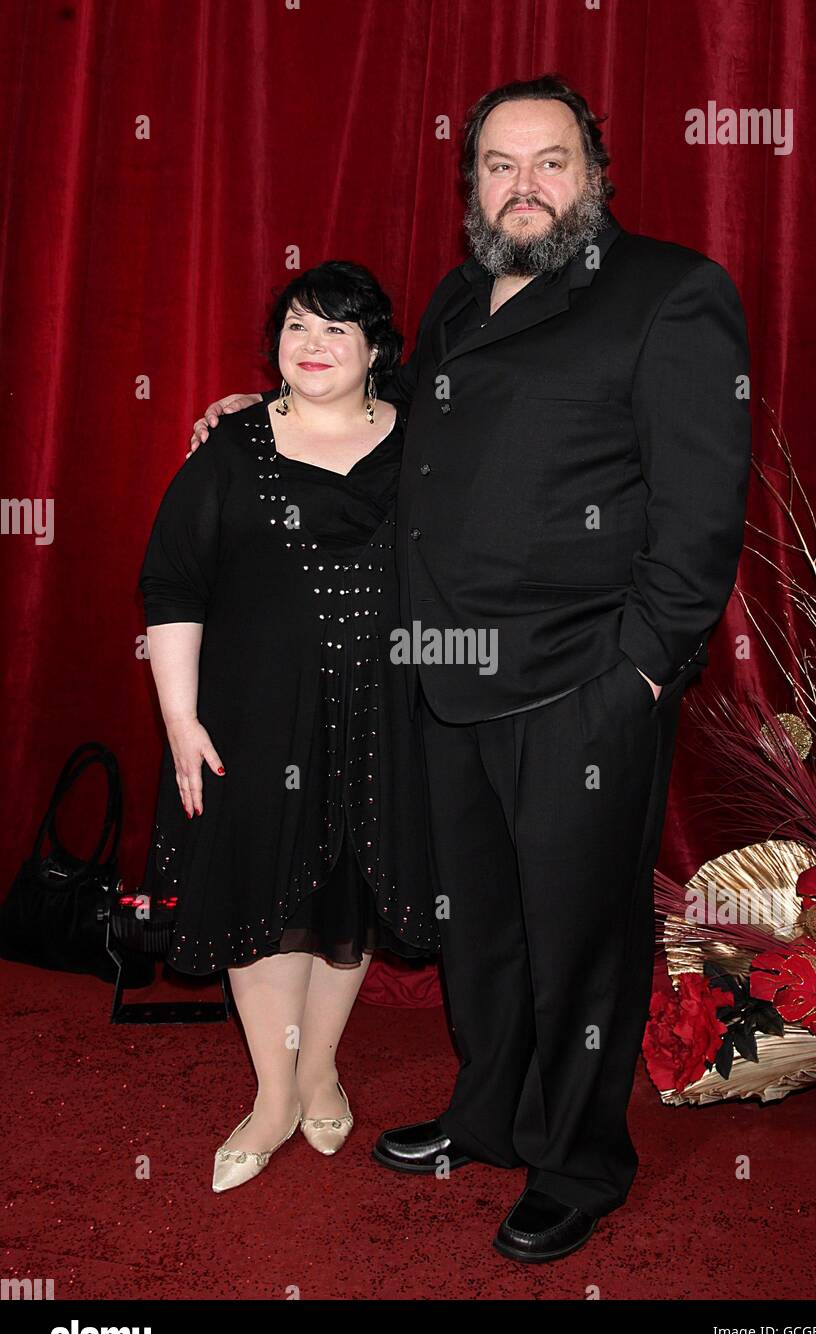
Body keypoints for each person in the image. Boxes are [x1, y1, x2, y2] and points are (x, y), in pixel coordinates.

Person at [188, 75, 751, 1258]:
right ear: (473, 185)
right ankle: (487, 1112)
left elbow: (701, 518)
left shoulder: (670, 293)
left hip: (583, 686)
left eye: (550, 162)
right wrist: (275, 408)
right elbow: (401, 427)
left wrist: (637, 676)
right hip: (443, 672)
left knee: (579, 939)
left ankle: (578, 1161)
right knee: (481, 925)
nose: (525, 186)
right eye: (500, 165)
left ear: (593, 173)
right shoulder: (453, 298)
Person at [139, 260, 438, 1194]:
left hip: (388, 715)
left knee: (347, 897)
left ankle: (318, 1070)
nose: (313, 346)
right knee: (259, 897)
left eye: (337, 330)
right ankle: (272, 1097)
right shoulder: (230, 445)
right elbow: (173, 585)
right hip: (254, 719)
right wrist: (181, 720)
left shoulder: (428, 439)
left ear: (378, 350)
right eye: (298, 328)